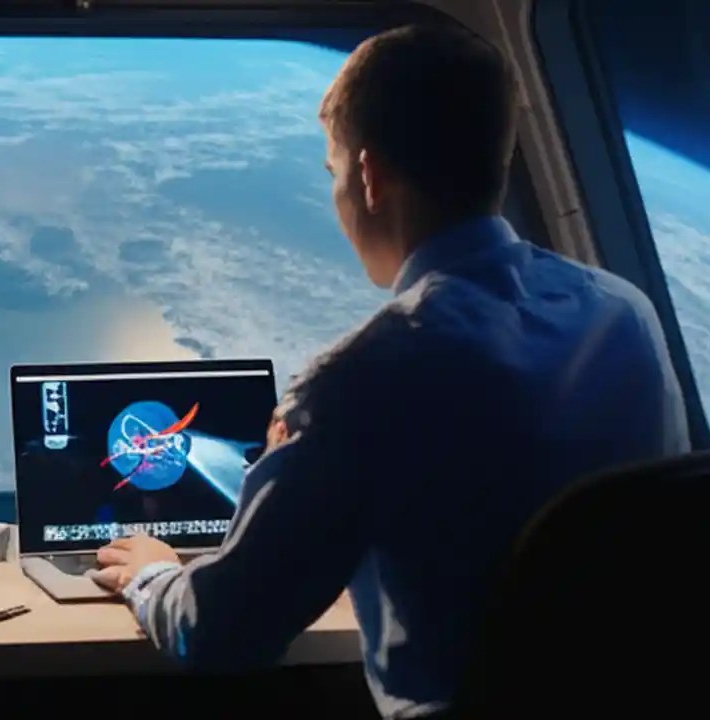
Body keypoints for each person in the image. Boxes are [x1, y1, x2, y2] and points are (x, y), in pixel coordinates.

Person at [90, 22, 692, 718]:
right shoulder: (626, 314)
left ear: (370, 178)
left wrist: (153, 575)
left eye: (335, 173)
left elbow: (221, 631)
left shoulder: (366, 377)